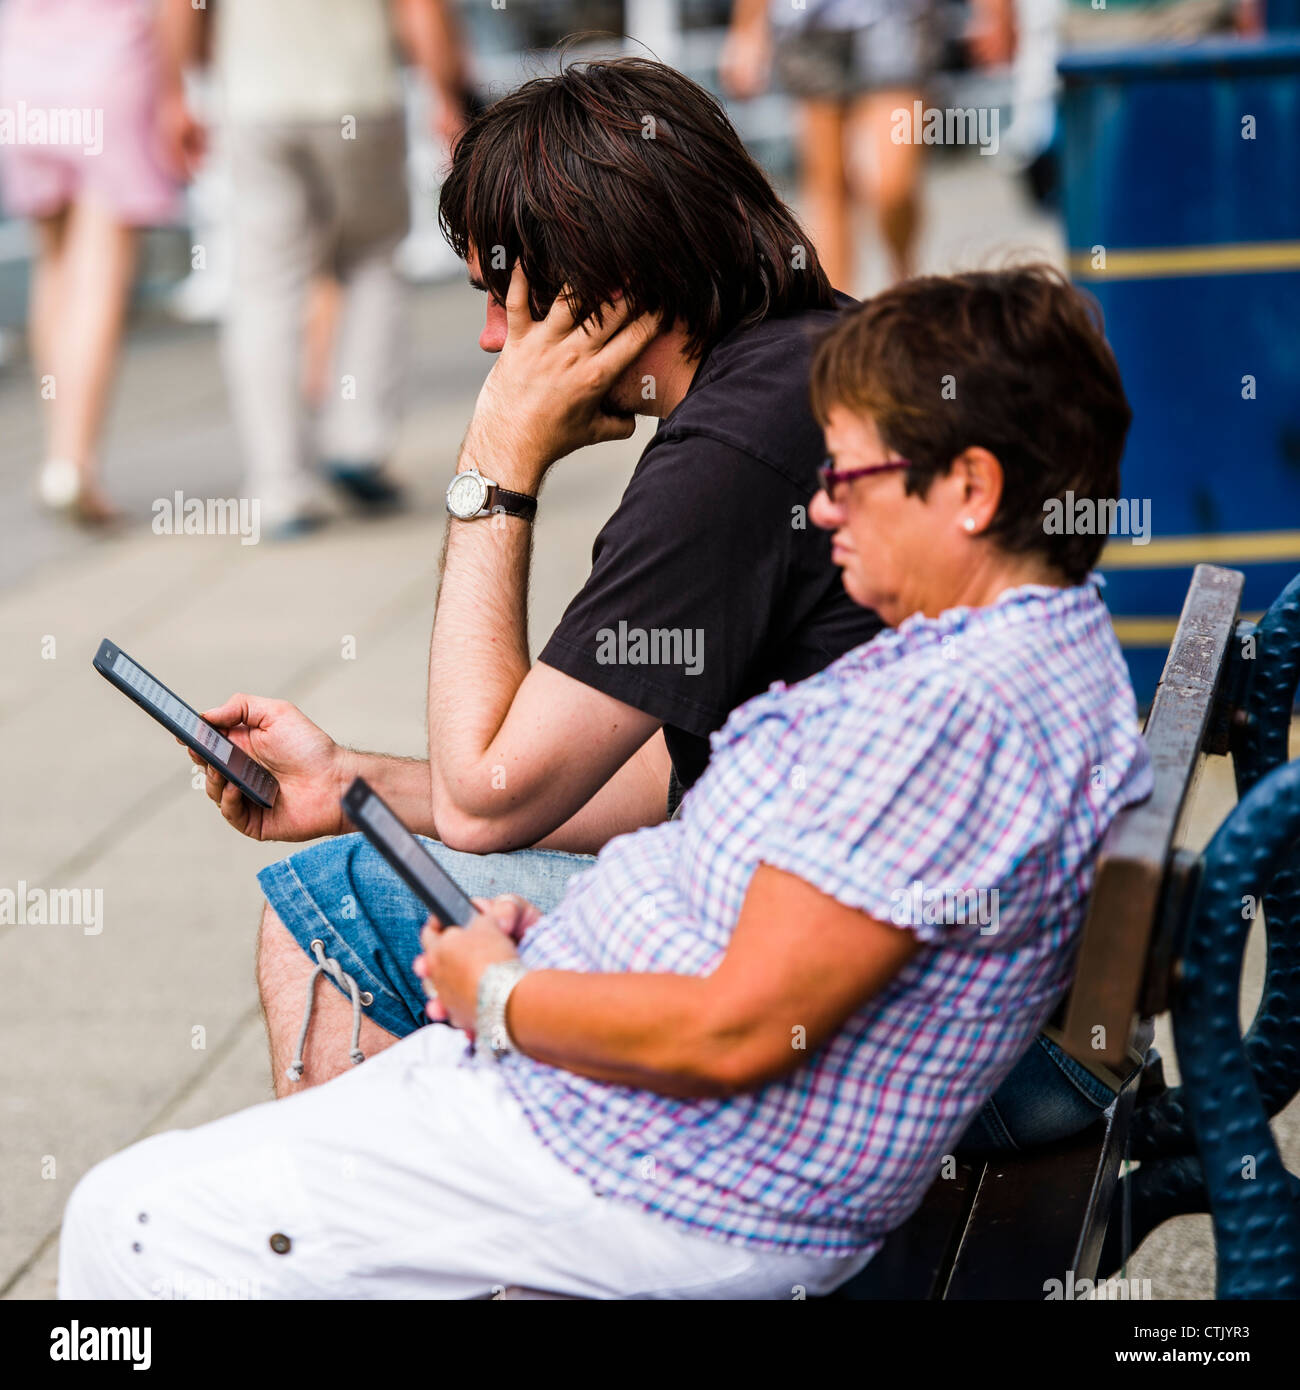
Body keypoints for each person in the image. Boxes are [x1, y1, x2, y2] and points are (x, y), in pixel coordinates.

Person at [59, 266, 1153, 1300]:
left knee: (132, 1219)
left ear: (968, 488)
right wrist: (549, 950)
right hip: (655, 1138)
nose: (821, 509)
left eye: (850, 477)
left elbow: (743, 1029)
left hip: (670, 1176)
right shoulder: (1011, 655)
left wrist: (505, 994)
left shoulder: (946, 719)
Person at [184, 59, 882, 1090]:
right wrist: (351, 784)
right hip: (934, 974)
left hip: (878, 1017)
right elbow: (653, 784)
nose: (488, 340)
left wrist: (495, 465)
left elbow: (485, 800)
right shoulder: (807, 360)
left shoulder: (735, 447)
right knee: (375, 862)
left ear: (601, 284)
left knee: (332, 904)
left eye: (499, 297)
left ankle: (350, 1247)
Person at [156, 0, 471, 537]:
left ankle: (279, 485)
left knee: (265, 288)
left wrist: (173, 95)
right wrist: (444, 92)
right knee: (372, 260)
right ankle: (358, 442)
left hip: (257, 101)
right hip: (359, 95)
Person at [0, 0, 180, 524]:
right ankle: (74, 463)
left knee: (53, 267)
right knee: (98, 275)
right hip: (108, 71)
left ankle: (60, 452)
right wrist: (174, 93)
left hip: (23, 75)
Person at [722, 0, 938, 290]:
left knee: (893, 185)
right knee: (828, 183)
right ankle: (838, 309)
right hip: (808, 26)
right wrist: (746, 30)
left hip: (896, 21)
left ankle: (904, 277)